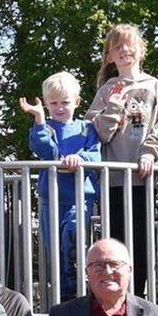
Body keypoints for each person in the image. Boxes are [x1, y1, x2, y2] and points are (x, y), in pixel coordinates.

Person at [19, 70, 101, 298]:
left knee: (73, 235)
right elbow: (44, 150)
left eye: (65, 102)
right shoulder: (46, 128)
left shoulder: (86, 128)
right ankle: (63, 295)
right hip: (52, 200)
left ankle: (77, 288)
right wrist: (38, 120)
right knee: (55, 249)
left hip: (79, 198)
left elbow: (96, 155)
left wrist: (80, 158)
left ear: (77, 102)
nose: (59, 107)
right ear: (46, 104)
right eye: (53, 103)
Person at [87, 24, 158, 181]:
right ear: (109, 57)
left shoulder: (156, 87)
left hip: (145, 177)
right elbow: (95, 135)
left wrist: (149, 153)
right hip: (113, 178)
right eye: (117, 47)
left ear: (142, 50)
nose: (124, 49)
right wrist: (112, 109)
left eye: (129, 44)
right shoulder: (106, 91)